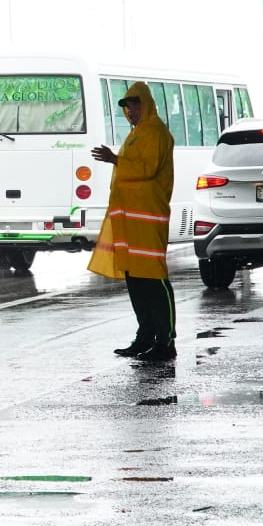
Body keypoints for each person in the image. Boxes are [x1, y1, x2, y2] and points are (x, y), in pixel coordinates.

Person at [88, 82, 176, 361]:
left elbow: (147, 169)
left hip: (147, 220)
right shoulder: (137, 134)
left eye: (134, 104)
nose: (129, 110)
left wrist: (115, 159)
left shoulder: (155, 131)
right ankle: (146, 337)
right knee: (136, 279)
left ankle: (165, 341)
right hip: (131, 222)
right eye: (126, 105)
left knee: (153, 279)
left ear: (146, 103)